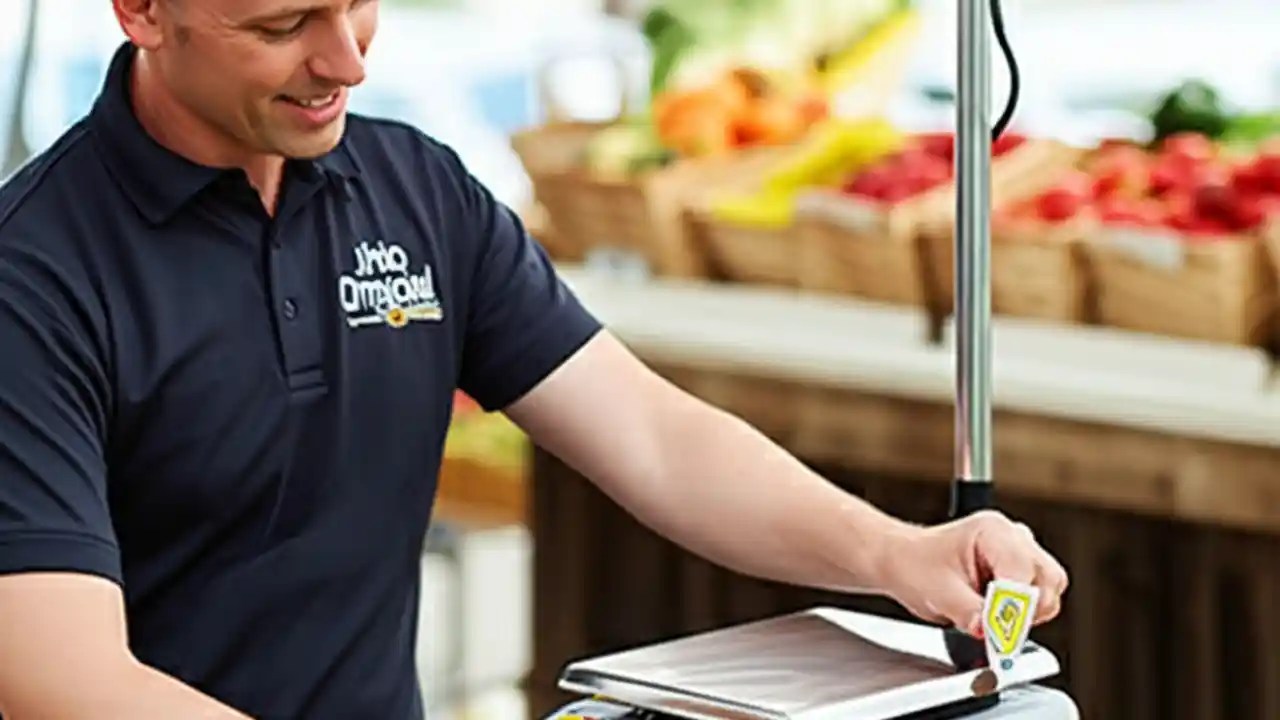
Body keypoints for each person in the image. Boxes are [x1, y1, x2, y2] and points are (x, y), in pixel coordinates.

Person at [0, 1, 1069, 718]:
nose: (347, 60)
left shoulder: (418, 190)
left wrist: (895, 554)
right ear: (141, 8)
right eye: (283, 24)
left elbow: (652, 438)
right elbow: (59, 676)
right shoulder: (33, 276)